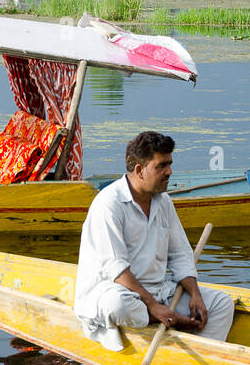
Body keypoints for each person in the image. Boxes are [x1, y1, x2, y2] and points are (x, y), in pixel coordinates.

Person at [74, 131, 234, 352]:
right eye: (162, 166)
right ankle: (170, 321)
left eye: (169, 164)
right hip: (115, 291)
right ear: (139, 170)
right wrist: (153, 306)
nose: (169, 172)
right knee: (118, 305)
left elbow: (179, 255)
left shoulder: (164, 201)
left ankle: (203, 359)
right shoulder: (109, 204)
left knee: (221, 303)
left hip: (159, 292)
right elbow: (116, 268)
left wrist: (195, 293)